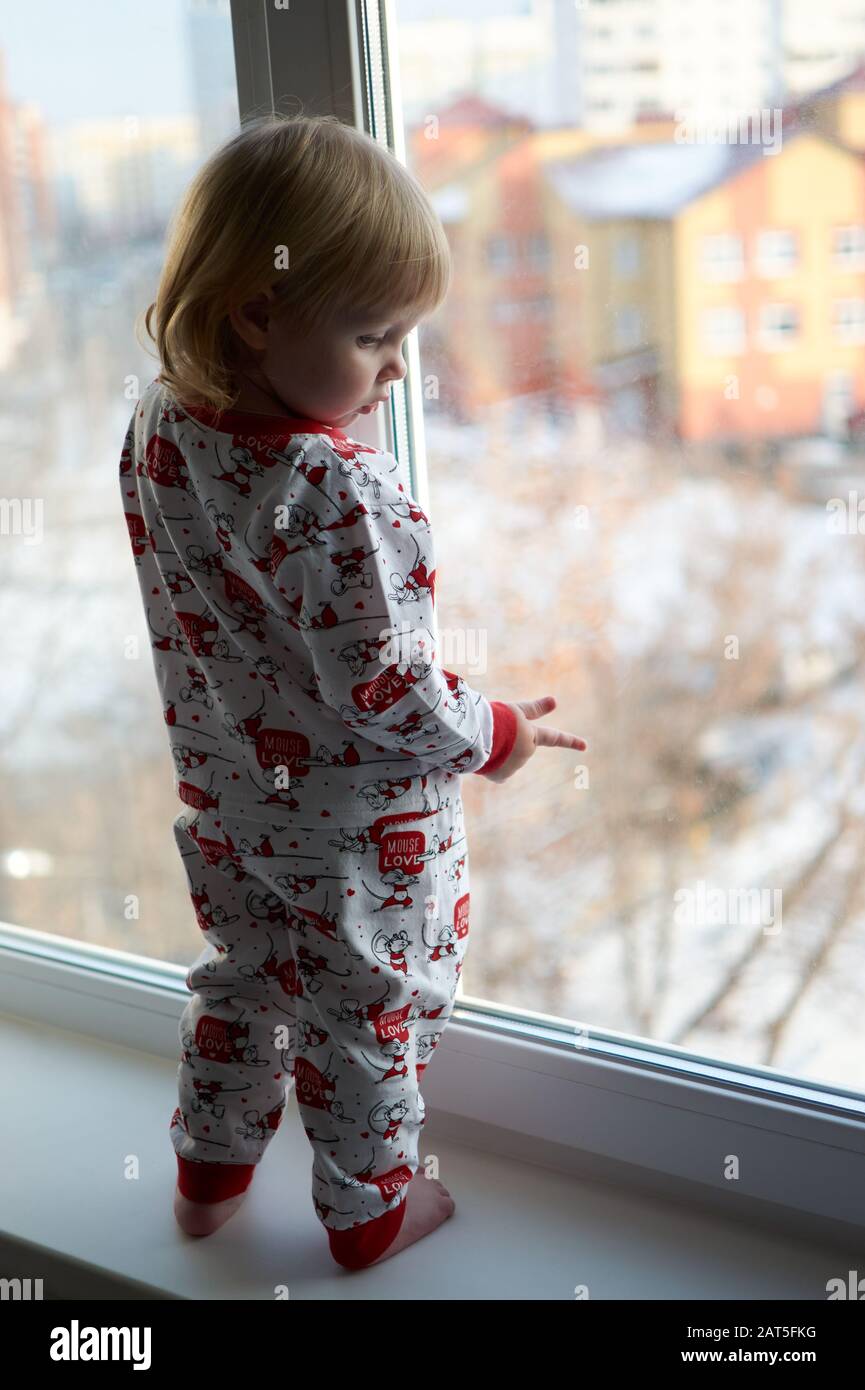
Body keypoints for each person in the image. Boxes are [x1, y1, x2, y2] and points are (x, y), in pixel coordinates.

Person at [119, 113, 587, 1271]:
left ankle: (207, 1180)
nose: (395, 369)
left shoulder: (160, 429)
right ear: (259, 310)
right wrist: (497, 730)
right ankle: (368, 1210)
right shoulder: (334, 484)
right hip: (355, 834)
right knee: (366, 1010)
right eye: (374, 336)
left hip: (229, 801)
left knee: (241, 978)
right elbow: (386, 688)